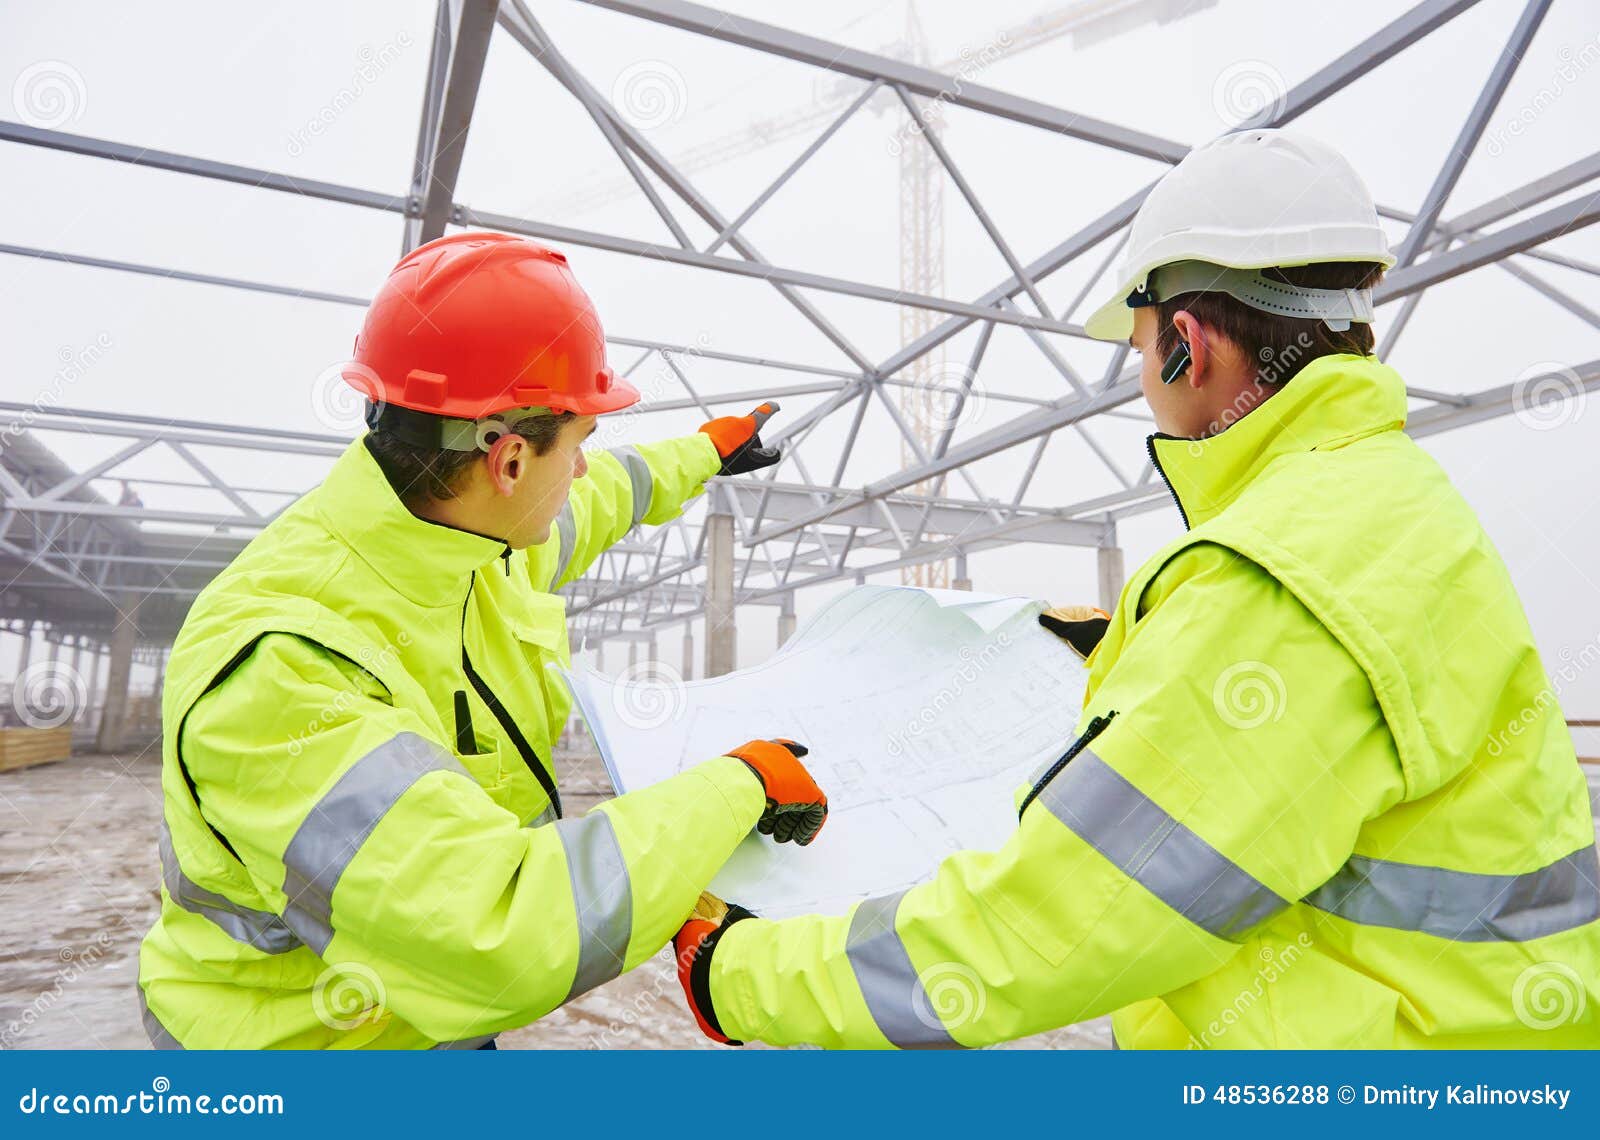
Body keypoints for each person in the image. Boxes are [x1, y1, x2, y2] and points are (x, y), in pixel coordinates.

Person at [671, 129, 1600, 1049]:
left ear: (1187, 346)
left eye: (1141, 344)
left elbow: (1043, 927)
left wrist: (739, 974)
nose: (1142, 374)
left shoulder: (1275, 579)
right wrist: (1156, 656)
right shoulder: (1386, 502)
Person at [137, 232, 828, 1049]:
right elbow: (488, 931)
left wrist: (701, 455)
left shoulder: (480, 549)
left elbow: (608, 493)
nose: (580, 473)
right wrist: (733, 786)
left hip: (427, 1024)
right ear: (506, 461)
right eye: (576, 446)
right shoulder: (284, 664)